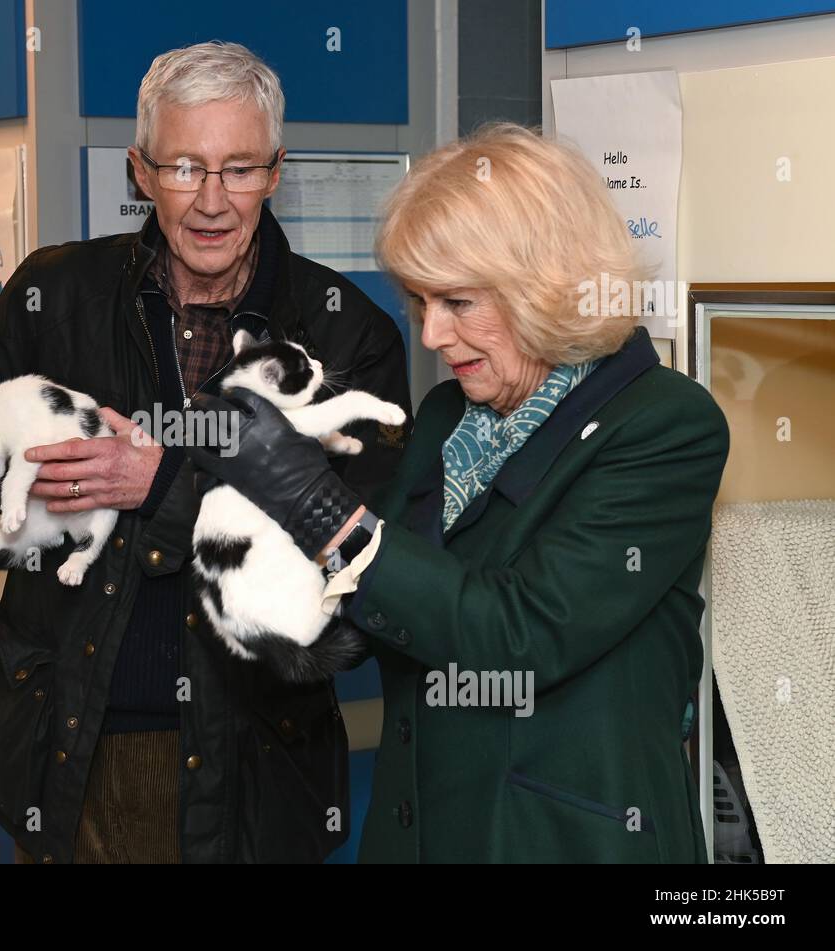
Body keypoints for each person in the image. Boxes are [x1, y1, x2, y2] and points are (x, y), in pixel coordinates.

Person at [189, 124, 729, 863]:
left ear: (546, 283)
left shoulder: (663, 424)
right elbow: (394, 607)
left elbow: (521, 635)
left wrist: (318, 507)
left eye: (459, 302)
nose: (434, 334)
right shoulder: (451, 415)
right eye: (419, 301)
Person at [0, 41, 411, 863]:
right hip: (58, 743)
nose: (212, 200)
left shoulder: (343, 330)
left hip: (254, 762)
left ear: (276, 171)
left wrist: (161, 486)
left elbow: (358, 559)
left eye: (240, 169)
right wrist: (60, 467)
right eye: (185, 167)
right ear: (141, 172)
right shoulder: (56, 292)